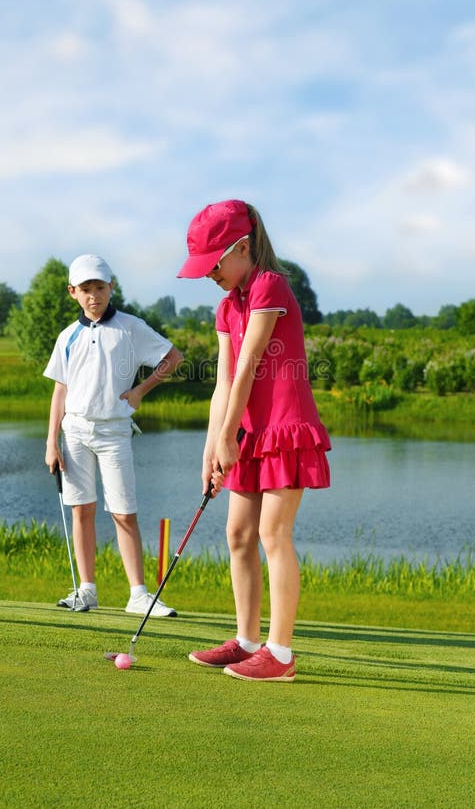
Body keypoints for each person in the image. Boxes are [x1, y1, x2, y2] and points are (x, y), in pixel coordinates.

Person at [177, 200, 331, 683]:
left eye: (214, 264)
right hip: (244, 435)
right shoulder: (227, 305)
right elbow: (223, 383)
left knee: (272, 534)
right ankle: (245, 642)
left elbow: (250, 364)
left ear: (242, 247)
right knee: (238, 534)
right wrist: (211, 449)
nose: (209, 275)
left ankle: (280, 653)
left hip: (284, 429)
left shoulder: (269, 285)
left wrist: (228, 438)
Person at [44, 253, 183, 615]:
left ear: (111, 287)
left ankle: (138, 595)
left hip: (114, 432)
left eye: (100, 288)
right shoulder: (68, 336)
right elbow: (60, 390)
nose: (94, 295)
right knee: (82, 511)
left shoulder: (130, 327)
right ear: (72, 292)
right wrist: (50, 444)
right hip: (73, 431)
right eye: (86, 289)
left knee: (124, 512)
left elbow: (173, 357)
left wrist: (140, 390)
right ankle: (86, 590)